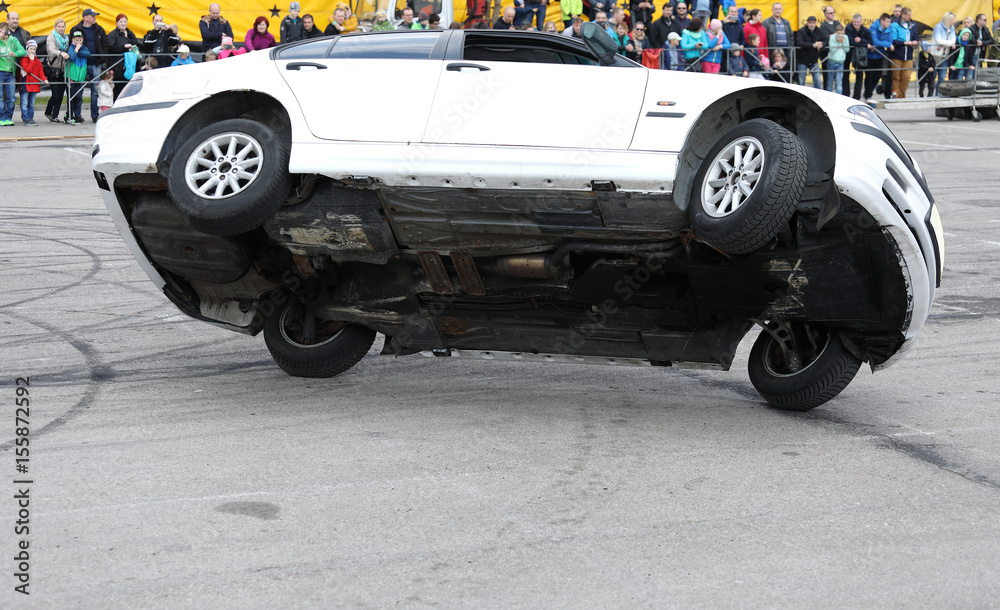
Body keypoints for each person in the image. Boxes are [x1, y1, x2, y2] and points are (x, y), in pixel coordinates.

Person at [71, 9, 107, 123]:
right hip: (80, 64)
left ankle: (95, 115)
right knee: (78, 90)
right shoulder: (76, 29)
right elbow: (71, 46)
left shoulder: (99, 29)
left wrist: (101, 59)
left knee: (95, 91)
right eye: (93, 16)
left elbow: (105, 45)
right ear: (85, 18)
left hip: (95, 63)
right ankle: (77, 115)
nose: (95, 17)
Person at [105, 14, 138, 100]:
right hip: (117, 67)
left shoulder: (130, 33)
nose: (123, 24)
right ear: (117, 23)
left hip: (130, 67)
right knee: (118, 90)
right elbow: (111, 47)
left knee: (129, 90)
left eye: (125, 22)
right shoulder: (113, 34)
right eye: (121, 22)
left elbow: (136, 43)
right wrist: (124, 46)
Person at [45, 19, 71, 123]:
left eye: (63, 26)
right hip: (53, 67)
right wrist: (61, 53)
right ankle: (48, 111)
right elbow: (51, 49)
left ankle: (54, 115)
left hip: (63, 68)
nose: (61, 28)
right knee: (55, 94)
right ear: (55, 27)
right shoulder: (51, 37)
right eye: (59, 26)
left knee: (61, 94)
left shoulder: (66, 38)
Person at [0, 22, 26, 127]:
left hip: (10, 72)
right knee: (0, 97)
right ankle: (2, 117)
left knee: (11, 97)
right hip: (0, 72)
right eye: (1, 31)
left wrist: (15, 54)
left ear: (9, 32)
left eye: (5, 31)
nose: (3, 33)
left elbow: (22, 51)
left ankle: (8, 117)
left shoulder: (13, 40)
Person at [889, 7, 918, 98]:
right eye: (908, 15)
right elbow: (894, 40)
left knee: (906, 76)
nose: (910, 17)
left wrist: (915, 42)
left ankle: (901, 95)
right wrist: (905, 43)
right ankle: (896, 95)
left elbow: (916, 37)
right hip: (897, 55)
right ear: (903, 15)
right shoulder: (894, 24)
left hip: (908, 55)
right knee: (896, 76)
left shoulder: (912, 24)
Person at [866, 13, 894, 101]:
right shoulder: (873, 27)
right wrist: (887, 44)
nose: (889, 23)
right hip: (870, 55)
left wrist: (884, 43)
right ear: (882, 21)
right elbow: (875, 41)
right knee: (869, 76)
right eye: (887, 21)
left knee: (878, 76)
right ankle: (868, 95)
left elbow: (890, 40)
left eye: (890, 21)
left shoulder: (888, 28)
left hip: (879, 55)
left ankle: (869, 93)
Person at [17, 39, 45, 125]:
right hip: (26, 84)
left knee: (31, 103)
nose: (32, 51)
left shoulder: (37, 61)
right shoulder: (24, 59)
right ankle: (26, 118)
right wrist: (31, 60)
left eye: (34, 49)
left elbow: (40, 71)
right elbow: (28, 69)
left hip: (35, 85)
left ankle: (31, 118)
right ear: (27, 49)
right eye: (30, 49)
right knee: (24, 102)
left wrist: (44, 79)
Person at [844, 13, 872, 99]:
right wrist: (864, 44)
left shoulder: (865, 30)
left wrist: (861, 40)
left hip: (860, 56)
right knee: (845, 74)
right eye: (854, 22)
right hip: (848, 54)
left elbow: (870, 42)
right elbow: (851, 42)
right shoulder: (848, 28)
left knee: (859, 76)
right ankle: (845, 94)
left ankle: (856, 96)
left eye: (857, 22)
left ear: (861, 22)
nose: (856, 24)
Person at [763, 2, 793, 83]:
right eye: (776, 9)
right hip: (773, 50)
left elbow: (791, 36)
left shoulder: (786, 22)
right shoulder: (767, 22)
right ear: (772, 10)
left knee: (785, 70)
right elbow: (764, 37)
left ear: (782, 10)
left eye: (779, 9)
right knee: (774, 72)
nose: (777, 11)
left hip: (785, 50)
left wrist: (790, 48)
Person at [65, 30, 90, 124]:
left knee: (79, 97)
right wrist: (76, 50)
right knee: (71, 96)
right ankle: (69, 114)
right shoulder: (71, 48)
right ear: (73, 40)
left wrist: (78, 51)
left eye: (80, 40)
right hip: (71, 76)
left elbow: (88, 54)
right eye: (76, 40)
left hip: (80, 76)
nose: (78, 42)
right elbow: (71, 57)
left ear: (82, 40)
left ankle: (78, 114)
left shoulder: (84, 48)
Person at [931, 12, 957, 96]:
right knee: (932, 77)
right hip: (935, 55)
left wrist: (943, 44)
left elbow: (954, 41)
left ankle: (938, 95)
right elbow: (939, 40)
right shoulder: (938, 27)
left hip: (945, 56)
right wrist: (949, 44)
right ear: (948, 19)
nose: (953, 21)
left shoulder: (952, 28)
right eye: (952, 19)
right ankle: (930, 95)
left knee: (942, 77)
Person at [795, 15, 824, 89]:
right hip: (802, 60)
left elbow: (826, 40)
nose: (811, 24)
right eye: (810, 22)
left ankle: (817, 97)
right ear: (807, 23)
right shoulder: (802, 31)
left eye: (813, 22)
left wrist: (822, 44)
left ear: (816, 23)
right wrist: (812, 45)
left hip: (814, 60)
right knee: (801, 82)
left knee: (818, 81)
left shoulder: (819, 31)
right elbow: (799, 42)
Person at [826, 24, 848, 95]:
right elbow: (832, 49)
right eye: (838, 33)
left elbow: (847, 49)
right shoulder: (832, 38)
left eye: (842, 33)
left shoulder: (846, 37)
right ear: (835, 32)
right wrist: (837, 41)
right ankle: (828, 97)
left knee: (839, 82)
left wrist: (842, 43)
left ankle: (839, 97)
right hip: (831, 61)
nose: (840, 35)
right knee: (830, 82)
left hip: (840, 62)